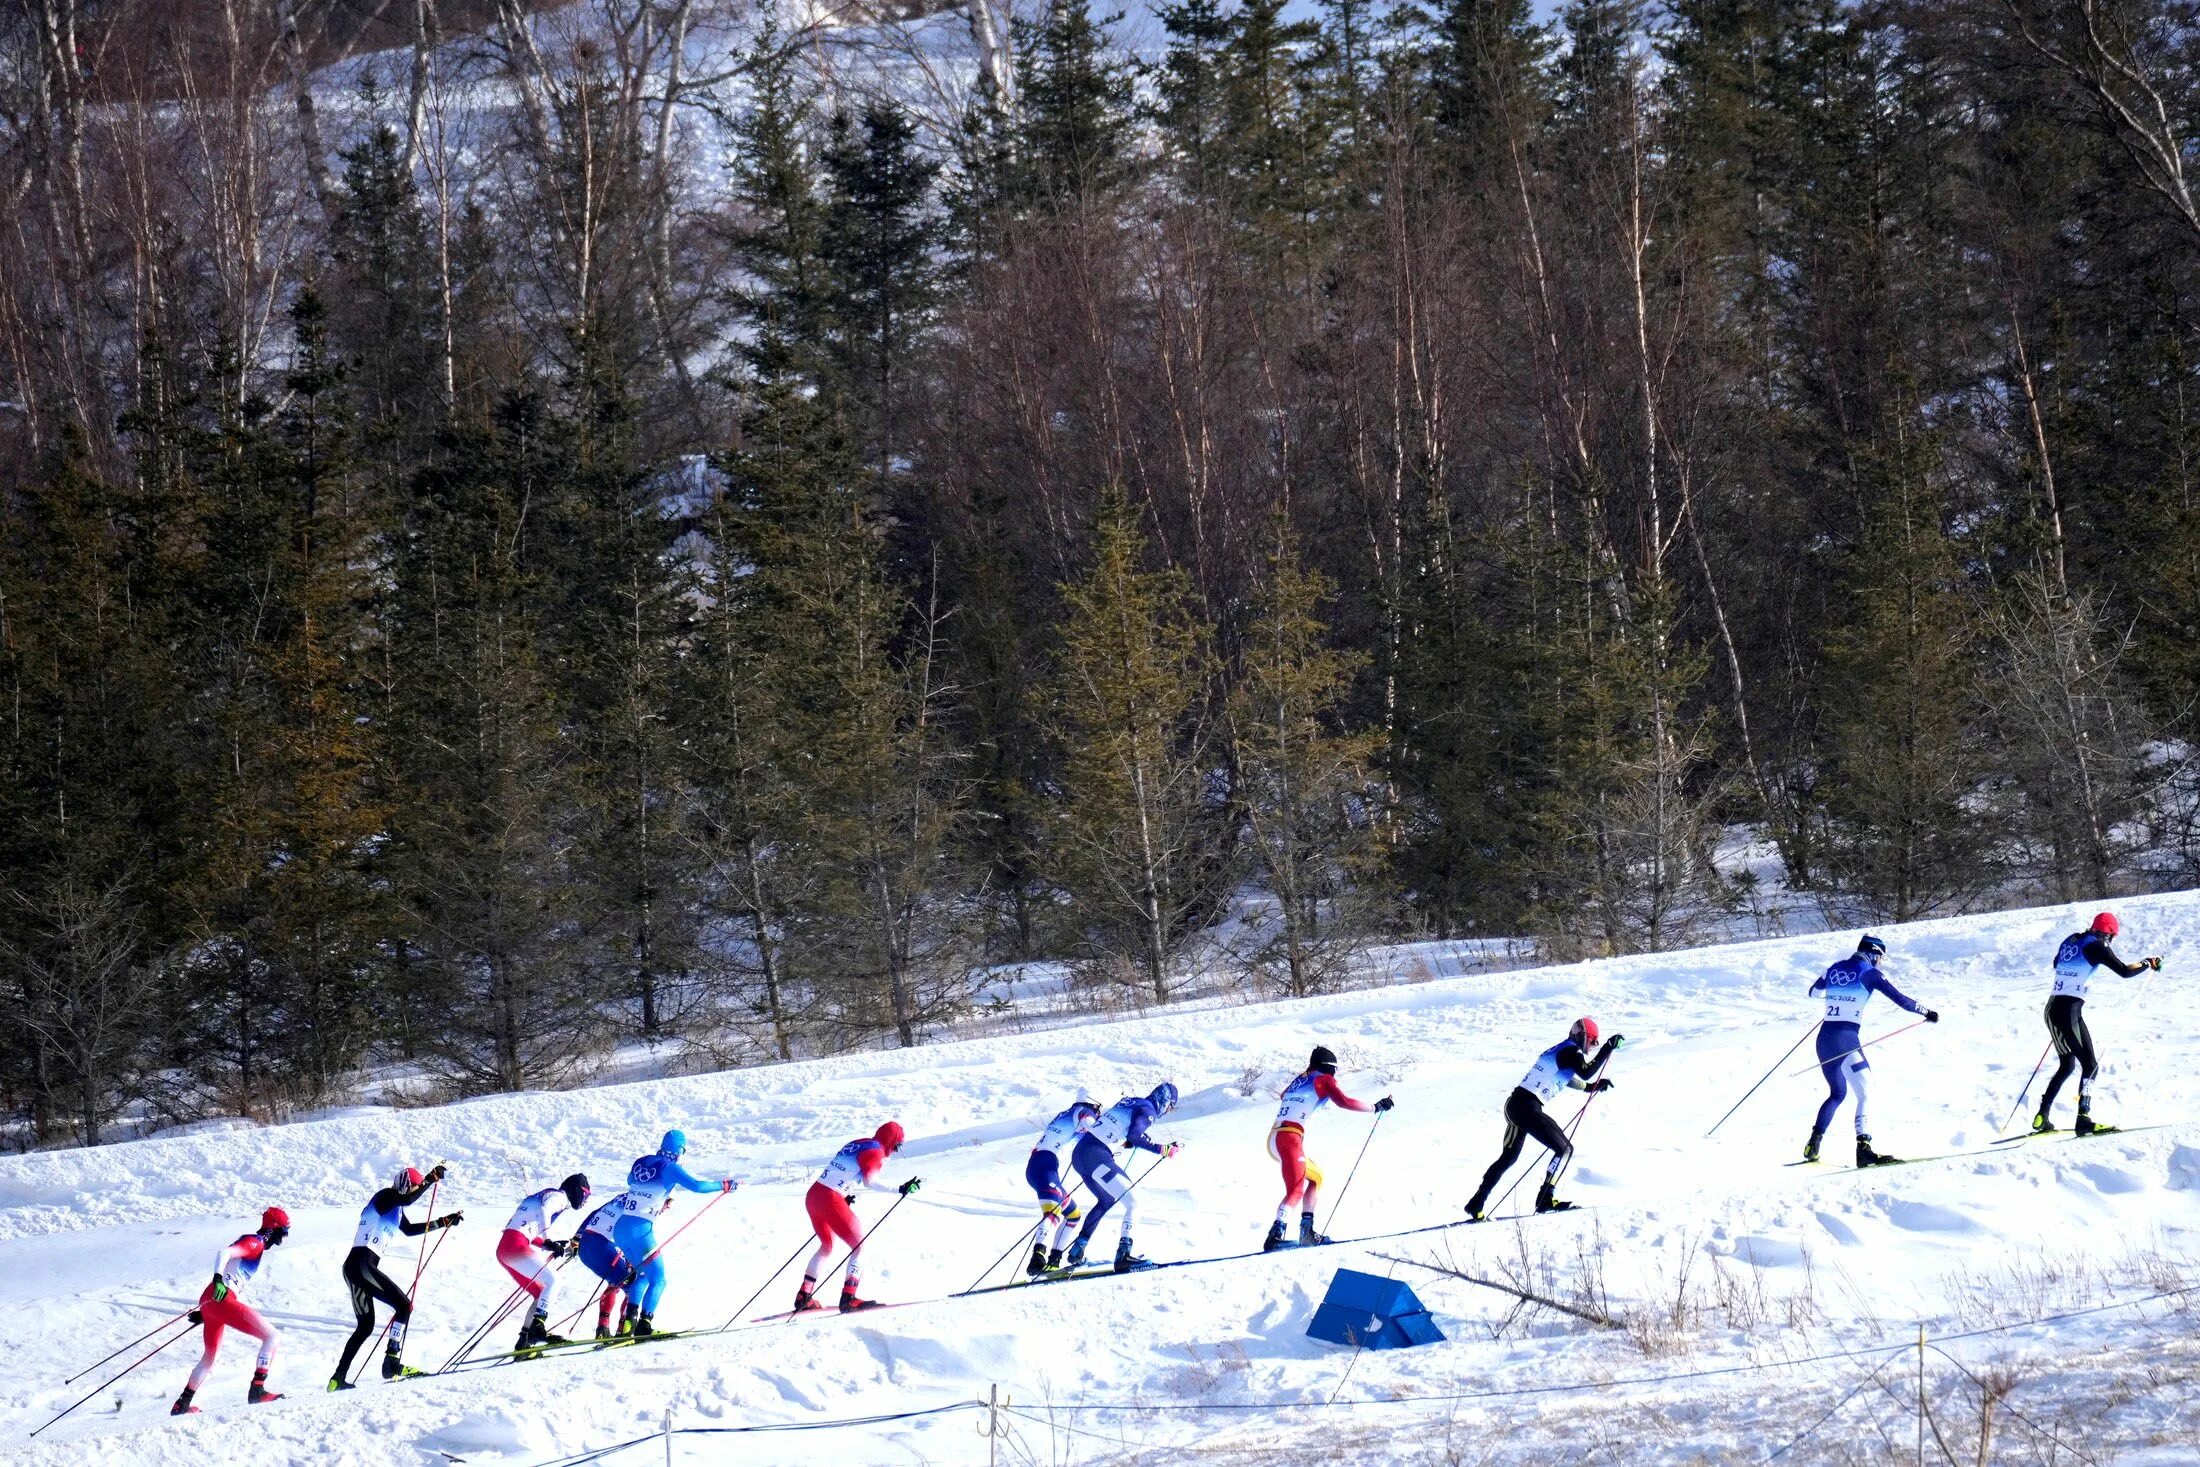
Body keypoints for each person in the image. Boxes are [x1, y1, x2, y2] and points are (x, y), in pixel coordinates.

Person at [1802, 936, 1937, 1166]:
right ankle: (1863, 1149)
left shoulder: (1834, 968)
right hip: (1845, 1039)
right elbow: (1902, 1000)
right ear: (1874, 953)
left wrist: (1837, 996)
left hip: (1824, 1040)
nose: (1881, 962)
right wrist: (1927, 1012)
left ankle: (1813, 1145)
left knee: (1837, 1094)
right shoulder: (1869, 973)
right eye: (1881, 957)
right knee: (1866, 1090)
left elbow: (1814, 993)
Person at [1464, 1020, 1619, 1219]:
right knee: (1564, 1150)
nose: (1591, 1047)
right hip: (1527, 1106)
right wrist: (1608, 1047)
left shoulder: (1563, 1051)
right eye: (1592, 1041)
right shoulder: (1572, 1051)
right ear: (1583, 1036)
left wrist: (1591, 1088)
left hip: (1514, 1105)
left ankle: (1476, 1203)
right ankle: (1545, 1198)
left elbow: (1566, 1078)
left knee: (1508, 1158)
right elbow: (1587, 1071)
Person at [330, 1165, 461, 1388]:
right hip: (362, 1265)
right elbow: (407, 1200)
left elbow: (410, 1230)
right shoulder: (385, 1196)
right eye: (415, 1187)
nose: (415, 1192)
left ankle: (337, 1379)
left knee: (365, 1326)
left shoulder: (396, 1207)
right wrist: (430, 1179)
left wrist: (443, 1222)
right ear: (406, 1185)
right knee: (404, 1306)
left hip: (355, 1267)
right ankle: (391, 1362)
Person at [2035, 912, 2162, 1135]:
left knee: (2068, 1065)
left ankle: (2041, 1117)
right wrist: (2147, 962)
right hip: (2068, 1012)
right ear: (2108, 933)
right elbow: (2124, 971)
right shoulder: (2096, 946)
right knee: (2091, 1065)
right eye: (2112, 937)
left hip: (2053, 1009)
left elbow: (2057, 963)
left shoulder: (2072, 939)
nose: (2111, 941)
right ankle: (2083, 1119)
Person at [604, 1129, 735, 1337]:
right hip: (640, 1230)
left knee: (643, 1275)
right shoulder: (671, 1167)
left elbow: (631, 1181)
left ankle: (628, 1324)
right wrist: (724, 1185)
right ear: (680, 1149)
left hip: (621, 1228)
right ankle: (644, 1325)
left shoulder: (641, 1161)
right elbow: (697, 1186)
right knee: (659, 1279)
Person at [1266, 1047, 1393, 1251]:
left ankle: (1306, 1232)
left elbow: (1284, 1095)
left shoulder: (1302, 1077)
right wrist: (1375, 1107)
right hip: (1290, 1137)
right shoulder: (1325, 1079)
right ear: (1328, 1067)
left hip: (1275, 1138)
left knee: (1316, 1178)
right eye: (1334, 1070)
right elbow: (1344, 1101)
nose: (1334, 1074)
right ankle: (1275, 1235)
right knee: (1296, 1189)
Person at [170, 1207, 290, 1415]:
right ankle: (257, 1390)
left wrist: (208, 1311)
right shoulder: (255, 1242)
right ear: (274, 1229)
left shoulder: (256, 1245)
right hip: (222, 1298)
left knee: (209, 1357)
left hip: (212, 1300)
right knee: (272, 1337)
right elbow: (224, 1253)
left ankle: (182, 1403)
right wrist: (218, 1280)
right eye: (283, 1233)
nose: (282, 1239)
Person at [795, 1121, 920, 1313]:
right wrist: (900, 1188)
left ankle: (804, 1296)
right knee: (861, 1246)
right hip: (830, 1199)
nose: (895, 1151)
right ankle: (849, 1298)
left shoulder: (859, 1143)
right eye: (897, 1146)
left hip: (814, 1196)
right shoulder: (876, 1151)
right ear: (890, 1141)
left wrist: (843, 1193)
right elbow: (870, 1181)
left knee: (826, 1246)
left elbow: (841, 1173)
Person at [1068, 1083, 1181, 1273]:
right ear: (1165, 1101)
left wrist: (1128, 1141)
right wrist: (1162, 1149)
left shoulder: (1133, 1102)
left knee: (1106, 1200)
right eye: (1170, 1107)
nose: (1168, 1112)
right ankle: (1124, 1256)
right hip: (1096, 1156)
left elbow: (1120, 1130)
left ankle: (1077, 1249)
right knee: (1134, 1203)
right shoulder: (1148, 1110)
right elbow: (1135, 1135)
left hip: (1080, 1155)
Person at [496, 1173, 591, 1351]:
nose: (584, 1200)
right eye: (584, 1195)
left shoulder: (542, 1195)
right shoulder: (559, 1197)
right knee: (554, 1281)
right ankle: (538, 1328)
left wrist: (548, 1245)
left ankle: (524, 1341)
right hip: (515, 1247)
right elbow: (545, 1211)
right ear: (576, 1191)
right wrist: (548, 1240)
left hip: (506, 1248)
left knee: (541, 1293)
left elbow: (523, 1230)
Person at [1024, 1093, 1099, 1276]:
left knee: (1073, 1215)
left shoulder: (1069, 1113)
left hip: (1041, 1166)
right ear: (1092, 1104)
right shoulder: (1083, 1111)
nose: (1098, 1113)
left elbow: (1085, 1138)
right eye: (1098, 1109)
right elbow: (1092, 1127)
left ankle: (1054, 1261)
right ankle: (1037, 1257)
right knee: (1053, 1212)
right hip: (1045, 1166)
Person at [574, 1195, 641, 1340]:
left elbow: (594, 1213)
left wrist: (576, 1237)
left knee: (616, 1281)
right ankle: (623, 1330)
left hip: (585, 1246)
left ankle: (602, 1328)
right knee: (634, 1286)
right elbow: (630, 1232)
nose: (667, 1208)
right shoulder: (643, 1203)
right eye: (669, 1203)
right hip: (602, 1245)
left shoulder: (621, 1197)